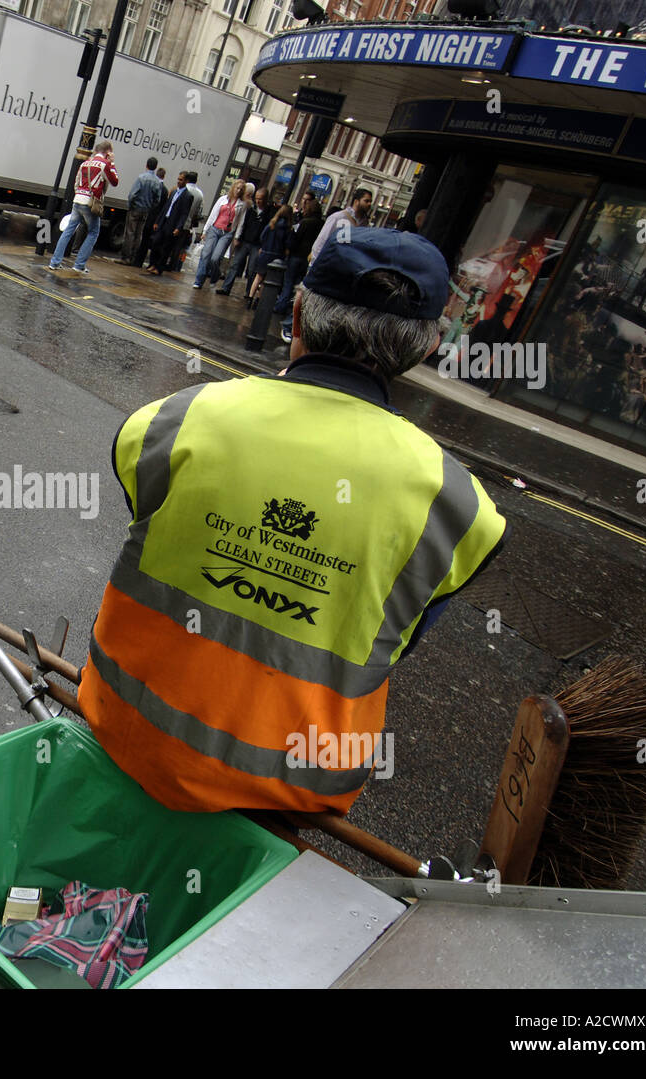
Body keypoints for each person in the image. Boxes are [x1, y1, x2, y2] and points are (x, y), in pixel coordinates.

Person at [77, 228, 506, 816]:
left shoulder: (174, 421)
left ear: (298, 310)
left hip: (125, 729)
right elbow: (395, 639)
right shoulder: (458, 506)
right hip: (291, 793)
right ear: (426, 345)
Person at [48, 142, 119, 274]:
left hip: (78, 199)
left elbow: (76, 182)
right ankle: (79, 265)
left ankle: (55, 262)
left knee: (68, 230)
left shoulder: (85, 163)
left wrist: (79, 195)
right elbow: (114, 181)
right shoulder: (104, 164)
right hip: (90, 203)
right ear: (108, 152)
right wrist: (113, 163)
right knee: (93, 233)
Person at [275, 190, 323, 342]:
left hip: (296, 256)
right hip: (307, 258)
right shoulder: (321, 224)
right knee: (298, 285)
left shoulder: (305, 222)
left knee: (288, 282)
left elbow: (295, 238)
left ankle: (281, 306)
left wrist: (290, 248)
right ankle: (289, 305)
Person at [193, 179, 247, 289]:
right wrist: (205, 230)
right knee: (206, 254)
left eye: (241, 189)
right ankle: (199, 280)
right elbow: (213, 214)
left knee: (216, 258)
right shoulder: (223, 199)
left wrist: (237, 236)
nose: (238, 190)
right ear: (233, 188)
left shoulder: (242, 205)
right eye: (237, 188)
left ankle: (215, 274)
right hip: (215, 229)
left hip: (227, 233)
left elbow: (241, 222)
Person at [218, 185, 265, 297]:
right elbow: (242, 223)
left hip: (257, 244)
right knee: (235, 264)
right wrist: (238, 237)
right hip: (245, 240)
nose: (258, 201)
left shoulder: (267, 212)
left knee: (251, 269)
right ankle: (226, 287)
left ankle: (249, 292)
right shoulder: (250, 209)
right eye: (257, 198)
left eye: (260, 199)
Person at [308, 187, 374, 266]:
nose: (369, 204)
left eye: (370, 201)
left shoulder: (365, 225)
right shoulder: (338, 217)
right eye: (366, 201)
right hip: (328, 265)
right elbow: (321, 241)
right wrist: (316, 264)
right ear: (356, 201)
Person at [244, 202, 292, 308]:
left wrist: (264, 246)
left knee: (258, 277)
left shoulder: (272, 224)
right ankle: (258, 300)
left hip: (265, 253)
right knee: (266, 280)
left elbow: (262, 236)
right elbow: (288, 243)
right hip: (276, 256)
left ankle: (250, 298)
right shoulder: (287, 228)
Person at [147, 172, 192, 276]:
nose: (179, 181)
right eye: (178, 179)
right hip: (164, 221)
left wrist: (178, 227)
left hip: (173, 224)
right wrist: (158, 221)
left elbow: (184, 214)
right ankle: (152, 264)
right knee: (155, 242)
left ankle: (159, 267)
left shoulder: (187, 196)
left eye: (181, 180)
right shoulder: (173, 192)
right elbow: (165, 207)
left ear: (186, 181)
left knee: (166, 247)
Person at [123, 157, 163, 266]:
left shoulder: (141, 178)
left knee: (130, 232)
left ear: (146, 165)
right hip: (146, 210)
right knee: (139, 234)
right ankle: (133, 257)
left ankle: (126, 257)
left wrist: (130, 205)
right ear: (155, 167)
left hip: (136, 208)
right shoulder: (157, 181)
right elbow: (157, 199)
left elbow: (133, 194)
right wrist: (150, 207)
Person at [174, 171, 205, 273]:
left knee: (173, 245)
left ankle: (171, 263)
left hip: (177, 222)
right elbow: (199, 213)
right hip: (188, 225)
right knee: (183, 248)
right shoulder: (200, 194)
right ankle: (178, 266)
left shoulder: (183, 190)